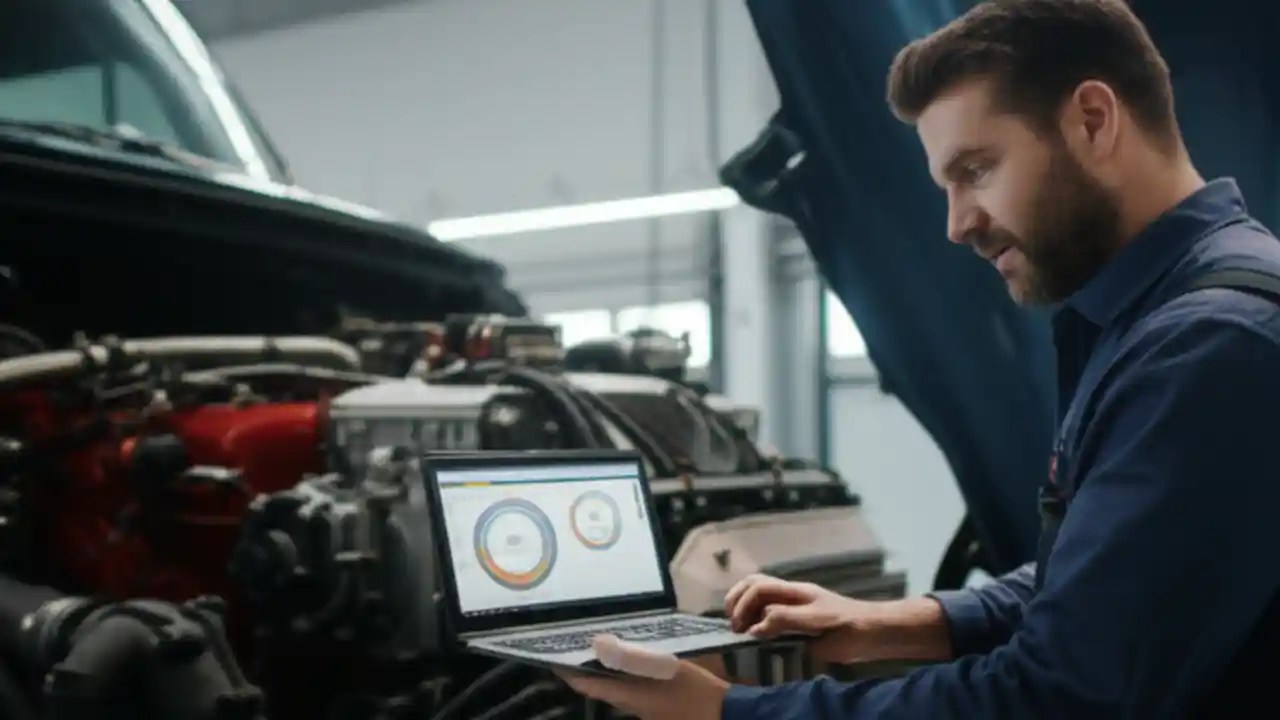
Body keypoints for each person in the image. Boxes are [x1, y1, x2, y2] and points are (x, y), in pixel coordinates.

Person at [559, 0, 1280, 717]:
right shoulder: (1167, 313)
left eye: (976, 170)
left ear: (1093, 120)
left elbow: (1054, 696)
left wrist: (725, 712)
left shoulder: (1208, 346)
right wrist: (901, 622)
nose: (957, 223)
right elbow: (1113, 577)